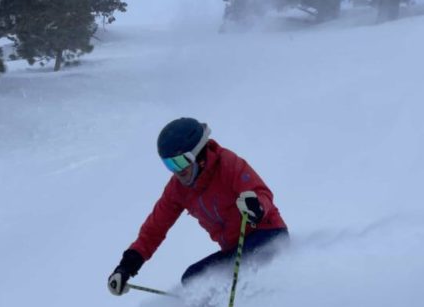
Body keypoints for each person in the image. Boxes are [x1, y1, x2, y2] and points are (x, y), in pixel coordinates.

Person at [107, 117, 288, 294]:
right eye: (169, 164)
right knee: (193, 280)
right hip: (235, 250)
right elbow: (154, 229)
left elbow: (261, 193)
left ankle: (260, 302)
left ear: (198, 155)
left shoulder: (227, 164)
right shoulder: (177, 189)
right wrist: (126, 267)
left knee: (241, 267)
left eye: (180, 161)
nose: (177, 170)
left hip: (266, 235)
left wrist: (256, 207)